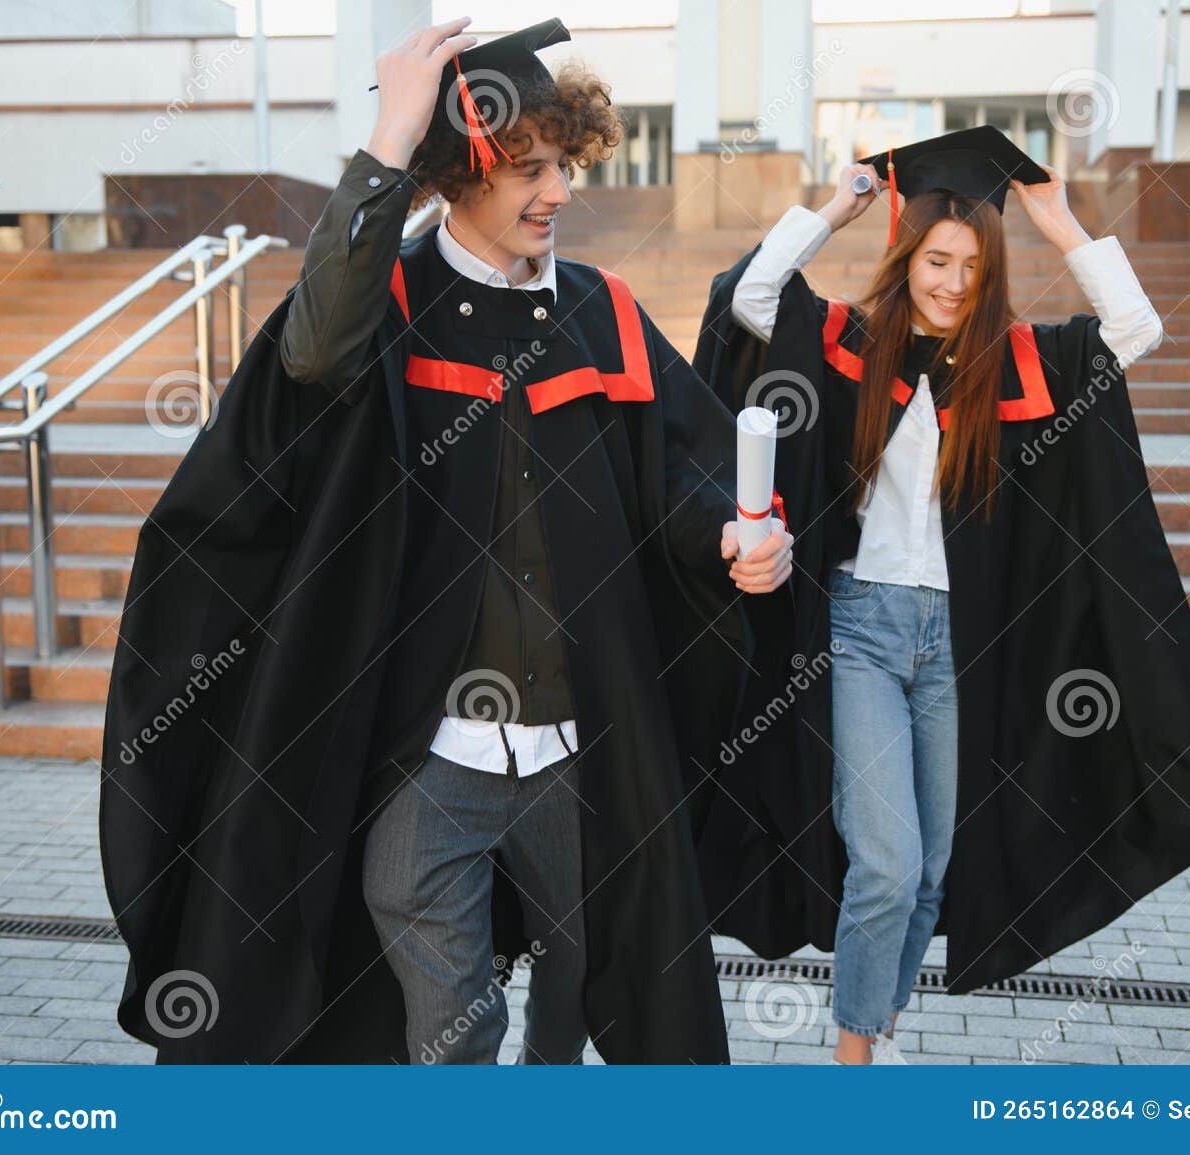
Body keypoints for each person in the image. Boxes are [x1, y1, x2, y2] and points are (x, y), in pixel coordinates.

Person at [100, 16, 791, 1065]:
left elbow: (677, 481)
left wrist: (735, 540)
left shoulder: (602, 313)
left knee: (588, 991)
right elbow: (312, 349)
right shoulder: (387, 308)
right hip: (434, 754)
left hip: (581, 751)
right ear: (459, 173)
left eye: (562, 164)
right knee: (447, 1027)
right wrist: (392, 133)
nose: (557, 192)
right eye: (526, 170)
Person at [692, 126, 1190, 1063]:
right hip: (859, 631)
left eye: (973, 268)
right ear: (907, 257)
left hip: (956, 643)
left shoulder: (1022, 362)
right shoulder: (848, 344)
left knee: (934, 870)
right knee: (888, 864)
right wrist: (836, 207)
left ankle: (874, 1020)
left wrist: (1060, 221)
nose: (952, 283)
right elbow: (749, 296)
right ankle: (853, 1068)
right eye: (937, 260)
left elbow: (1135, 331)